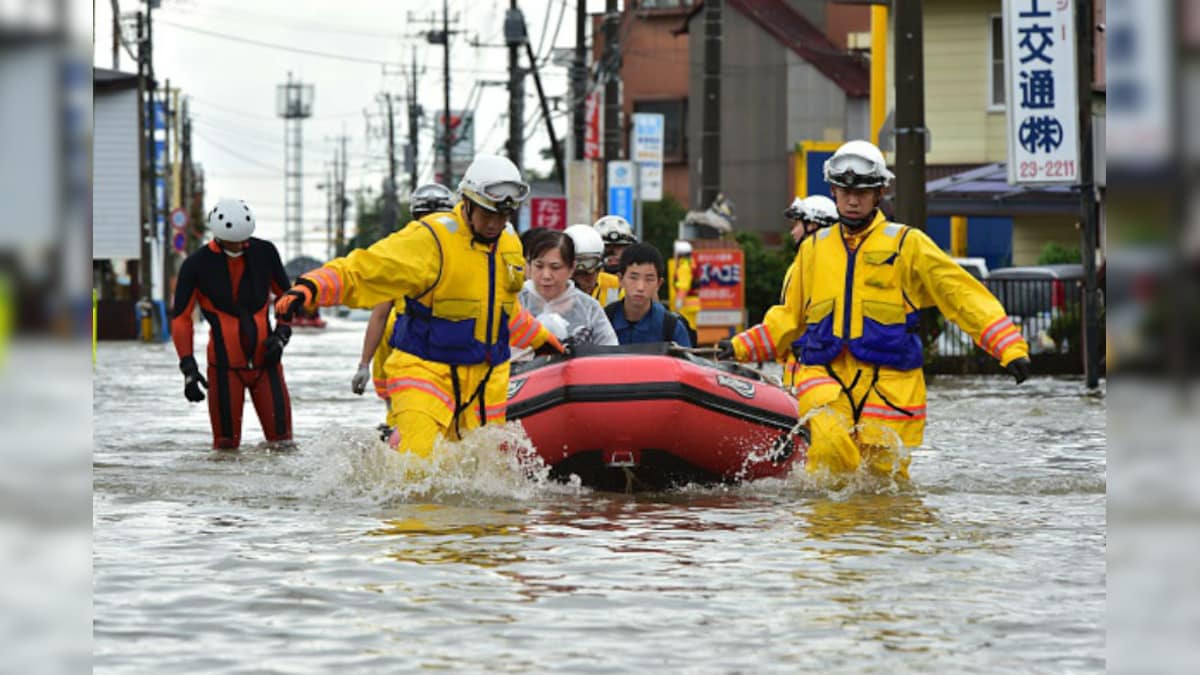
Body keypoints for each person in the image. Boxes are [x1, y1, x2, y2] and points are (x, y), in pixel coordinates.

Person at [716, 140, 1031, 480]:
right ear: (834, 191)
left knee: (883, 482)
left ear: (880, 192)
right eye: (845, 191)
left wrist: (1009, 348)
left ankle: (870, 532)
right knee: (829, 453)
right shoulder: (812, 251)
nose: (853, 200)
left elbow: (961, 295)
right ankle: (828, 531)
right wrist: (739, 346)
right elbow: (789, 318)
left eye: (863, 192)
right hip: (826, 378)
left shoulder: (907, 244)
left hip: (890, 385)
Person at [275, 154, 564, 457]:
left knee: (482, 476)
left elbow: (504, 312)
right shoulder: (431, 238)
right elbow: (365, 269)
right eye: (487, 214)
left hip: (484, 382)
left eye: (503, 216)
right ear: (466, 202)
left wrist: (543, 342)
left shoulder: (509, 244)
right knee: (418, 468)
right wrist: (310, 287)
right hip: (425, 372)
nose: (494, 223)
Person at [170, 198, 293, 449]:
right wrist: (188, 369)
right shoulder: (195, 265)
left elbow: (287, 297)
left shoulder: (265, 253)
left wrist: (281, 335)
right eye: (233, 242)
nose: (239, 245)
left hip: (266, 363)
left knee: (283, 445)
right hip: (224, 368)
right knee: (225, 448)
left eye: (243, 240)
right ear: (218, 235)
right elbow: (182, 319)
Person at [351, 183, 458, 437]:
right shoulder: (403, 256)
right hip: (406, 344)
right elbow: (379, 315)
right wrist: (364, 364)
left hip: (443, 344)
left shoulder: (465, 252)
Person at [730, 194, 842, 391]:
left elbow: (787, 322)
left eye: (797, 224)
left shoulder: (816, 267)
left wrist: (738, 347)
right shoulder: (808, 263)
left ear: (814, 226)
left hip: (815, 373)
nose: (793, 232)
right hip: (809, 370)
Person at [518, 230, 618, 351]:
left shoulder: (589, 308)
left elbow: (610, 352)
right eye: (539, 266)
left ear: (572, 268)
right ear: (529, 265)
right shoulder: (514, 301)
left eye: (555, 267)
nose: (546, 275)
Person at [606, 242, 693, 347]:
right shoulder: (603, 321)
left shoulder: (670, 327)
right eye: (633, 277)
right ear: (620, 279)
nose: (640, 287)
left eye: (649, 279)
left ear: (659, 283)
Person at [564, 224, 622, 305]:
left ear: (599, 269)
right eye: (576, 275)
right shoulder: (552, 288)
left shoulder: (616, 285)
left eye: (588, 274)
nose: (582, 282)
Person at [668, 240, 702, 331]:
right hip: (693, 304)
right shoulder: (691, 264)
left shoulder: (684, 267)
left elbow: (683, 287)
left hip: (685, 306)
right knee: (692, 329)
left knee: (686, 331)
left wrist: (677, 306)